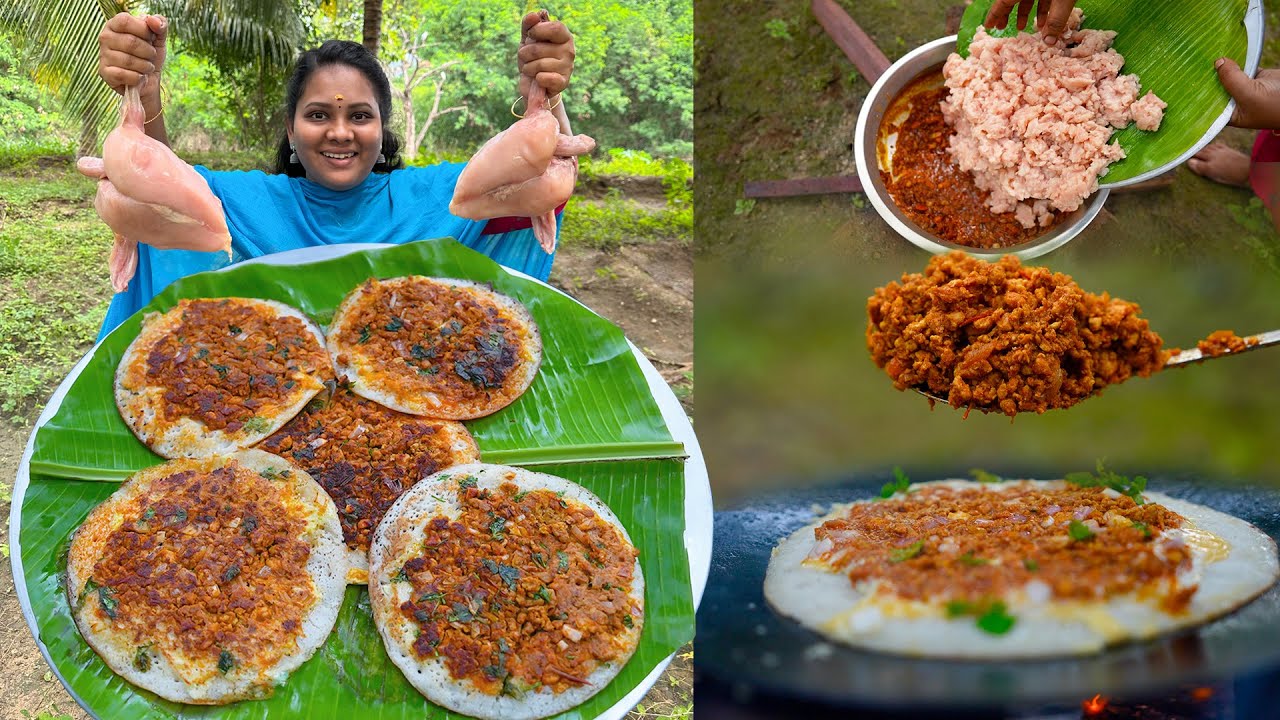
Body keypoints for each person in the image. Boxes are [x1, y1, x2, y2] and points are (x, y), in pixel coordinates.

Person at [88, 11, 578, 339]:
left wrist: (545, 96)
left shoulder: (440, 197)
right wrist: (143, 92)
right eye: (318, 115)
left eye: (360, 116)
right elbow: (159, 189)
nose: (340, 133)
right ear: (291, 130)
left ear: (382, 129)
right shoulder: (244, 203)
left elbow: (539, 182)